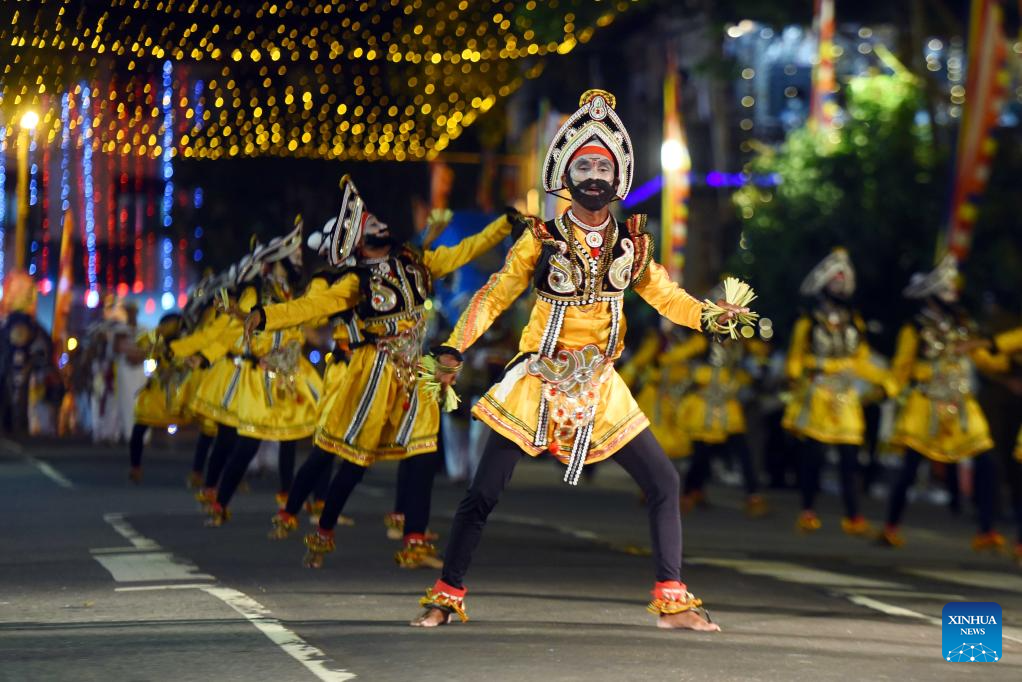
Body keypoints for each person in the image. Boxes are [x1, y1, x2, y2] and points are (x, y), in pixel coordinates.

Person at [410, 90, 748, 630]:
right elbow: (494, 295)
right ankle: (446, 596)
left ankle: (672, 599)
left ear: (617, 181)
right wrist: (454, 346)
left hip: (601, 385)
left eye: (602, 166)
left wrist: (710, 316)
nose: (593, 174)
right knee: (483, 493)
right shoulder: (539, 241)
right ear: (566, 176)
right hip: (538, 378)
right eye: (583, 165)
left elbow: (667, 297)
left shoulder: (633, 245)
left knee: (663, 481)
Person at [246, 175, 513, 568]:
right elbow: (309, 309)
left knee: (424, 452)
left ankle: (414, 542)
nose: (379, 225)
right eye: (369, 225)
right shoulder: (355, 281)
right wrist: (265, 315)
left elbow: (463, 251)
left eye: (377, 221)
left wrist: (503, 225)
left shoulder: (416, 262)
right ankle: (322, 530)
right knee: (353, 459)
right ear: (357, 240)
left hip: (415, 371)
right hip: (374, 373)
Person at [879, 256, 1006, 552]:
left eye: (953, 290)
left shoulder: (964, 325)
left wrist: (1002, 356)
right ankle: (890, 526)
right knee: (910, 469)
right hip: (927, 406)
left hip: (961, 406)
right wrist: (886, 388)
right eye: (947, 290)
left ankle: (986, 530)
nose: (953, 295)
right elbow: (903, 368)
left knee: (987, 461)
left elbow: (986, 361)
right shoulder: (915, 329)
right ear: (933, 295)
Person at [783, 248, 894, 535]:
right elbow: (796, 357)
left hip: (845, 398)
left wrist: (886, 381)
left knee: (849, 457)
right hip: (818, 394)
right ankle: (807, 510)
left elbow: (862, 357)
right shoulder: (808, 320)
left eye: (843, 280)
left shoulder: (854, 321)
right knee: (814, 457)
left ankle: (853, 514)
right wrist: (797, 375)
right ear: (825, 284)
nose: (840, 285)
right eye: (835, 280)